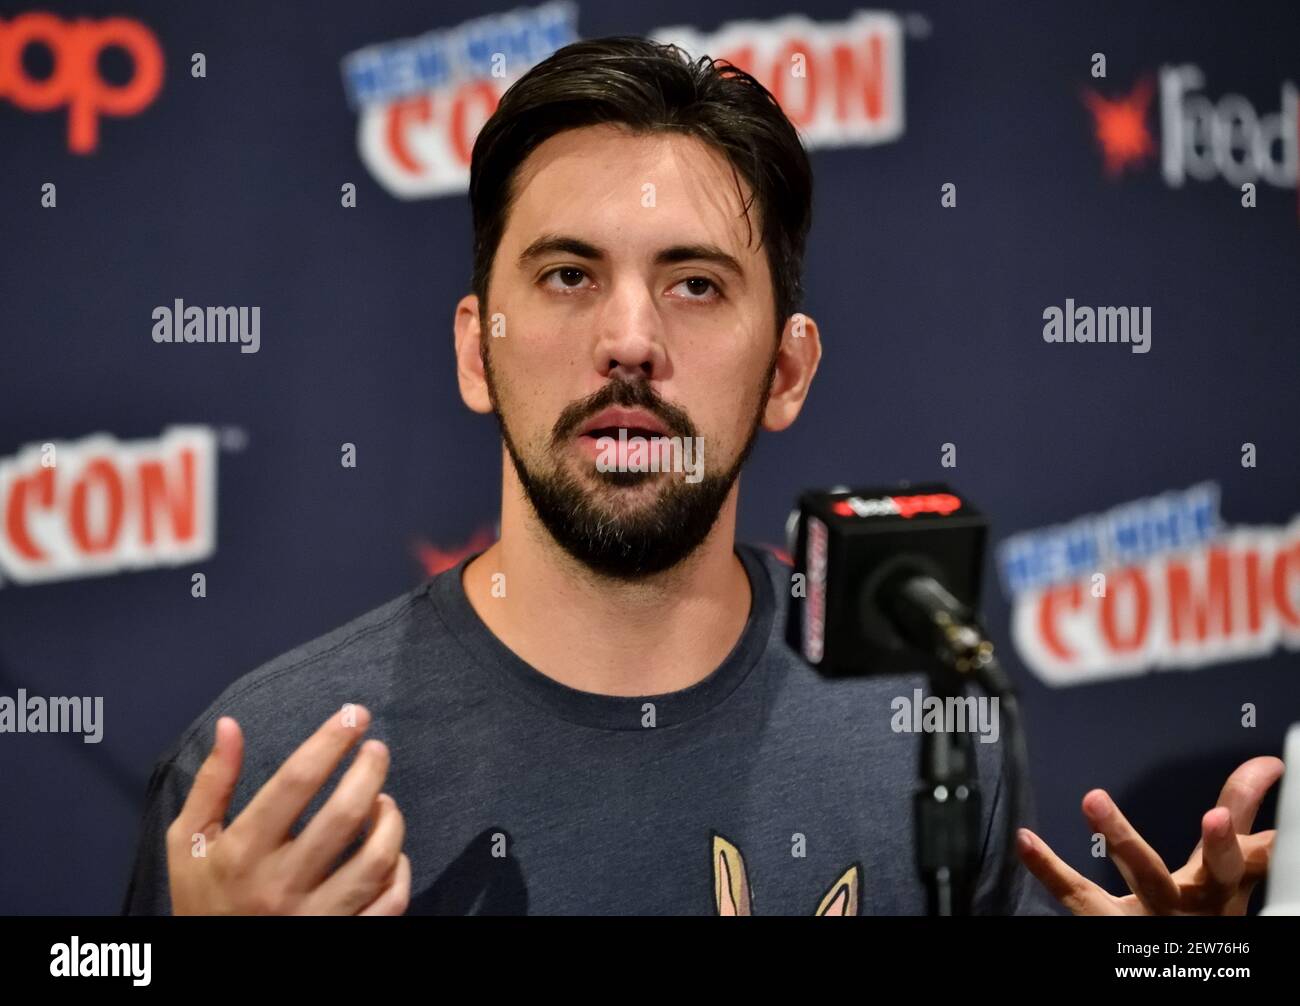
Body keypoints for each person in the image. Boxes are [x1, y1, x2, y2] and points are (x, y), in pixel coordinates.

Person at [121, 35, 1280, 916]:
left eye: (694, 284)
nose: (630, 340)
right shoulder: (266, 780)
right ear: (478, 350)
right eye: (570, 276)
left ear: (785, 369)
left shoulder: (924, 734)